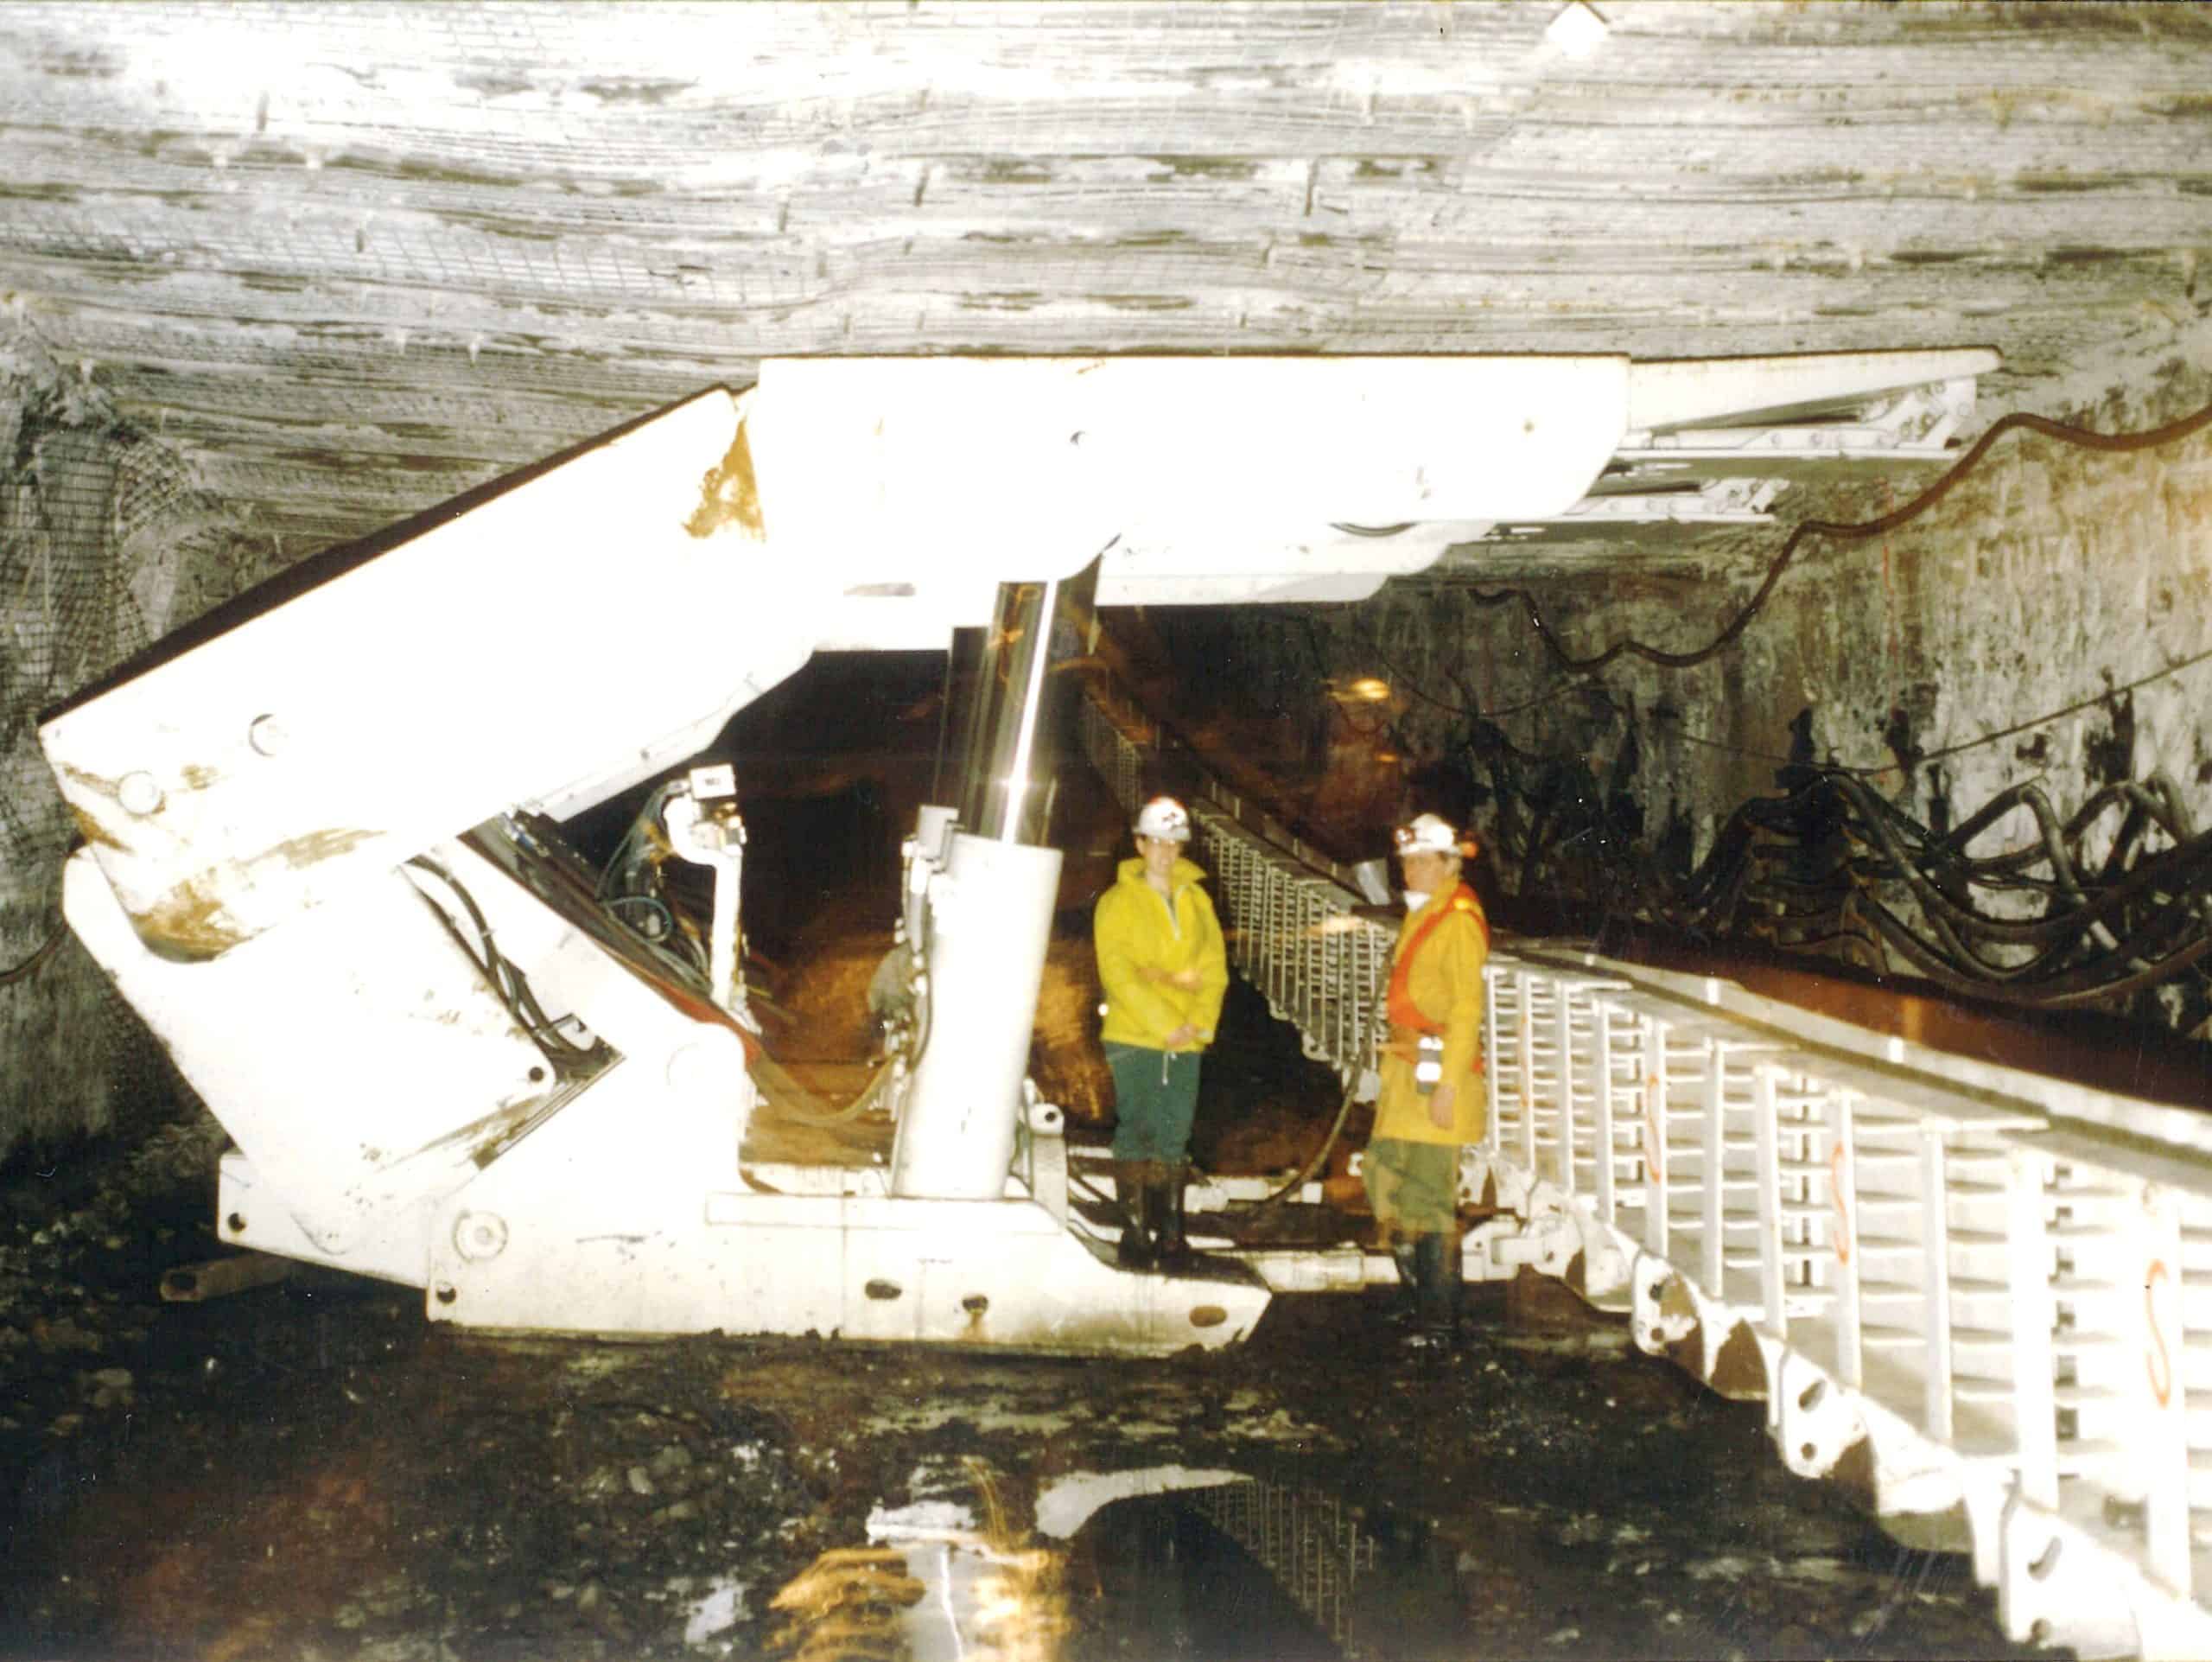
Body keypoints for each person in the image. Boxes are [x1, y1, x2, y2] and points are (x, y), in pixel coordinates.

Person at [1364, 812, 1491, 1346]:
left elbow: (1466, 1010)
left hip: (1437, 1076)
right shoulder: (1426, 912)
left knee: (1429, 1195)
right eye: (1407, 861)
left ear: (1447, 864)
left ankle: (1436, 1321)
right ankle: (1418, 1299)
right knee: (1381, 1175)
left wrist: (1449, 1087)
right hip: (1408, 1071)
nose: (1410, 870)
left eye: (1422, 861)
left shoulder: (1457, 920)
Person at [1094, 794, 1229, 1269]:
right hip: (1135, 1036)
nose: (1166, 853)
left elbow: (1214, 967)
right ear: (1139, 844)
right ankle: (1134, 1233)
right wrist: (1168, 1021)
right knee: (1137, 1129)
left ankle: (1172, 1236)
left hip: (1189, 1036)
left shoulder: (1198, 900)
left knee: (1175, 1134)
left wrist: (1198, 1024)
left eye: (1174, 843)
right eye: (1157, 842)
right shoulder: (1116, 903)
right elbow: (1119, 973)